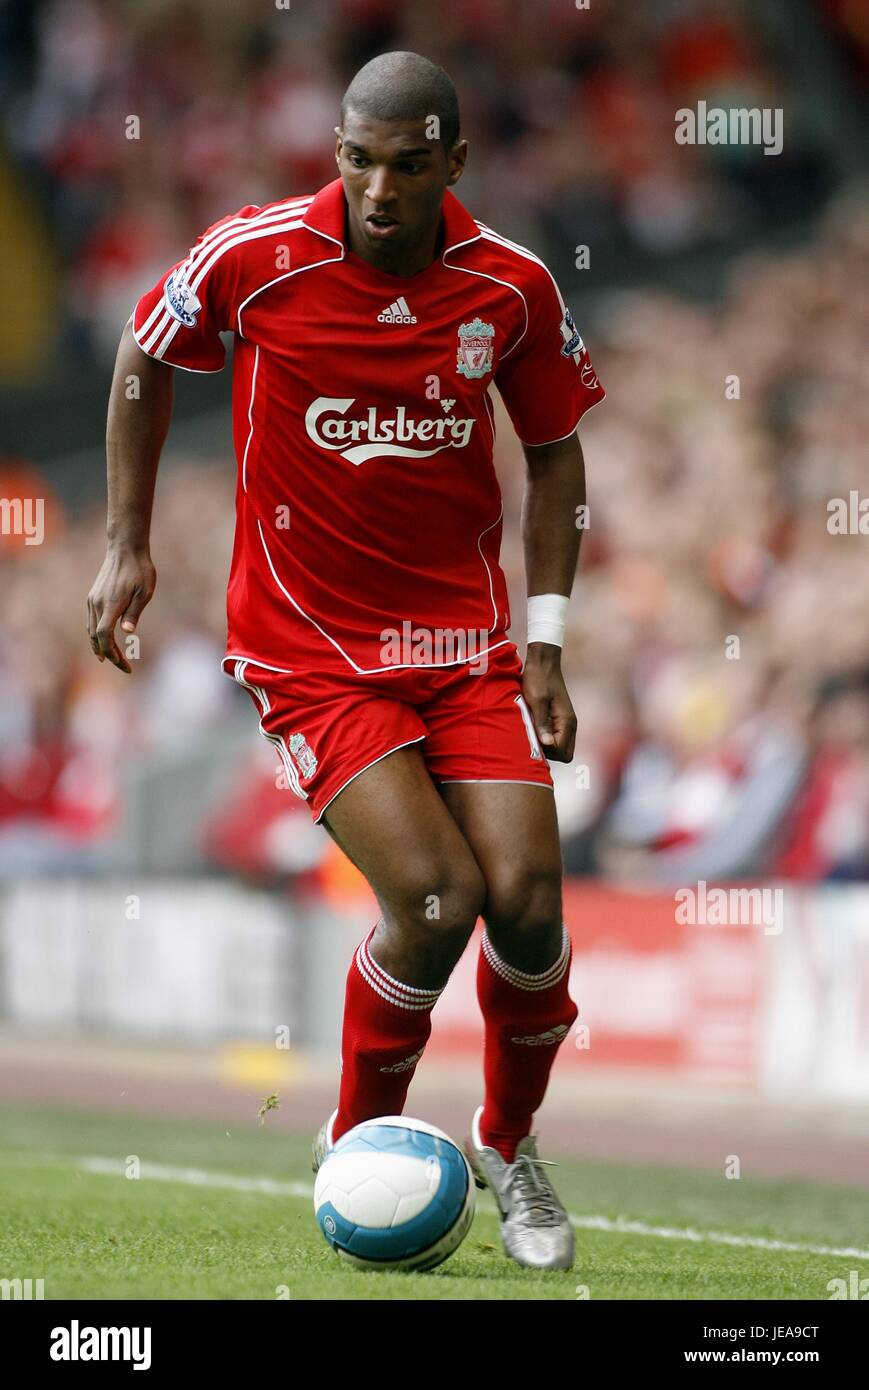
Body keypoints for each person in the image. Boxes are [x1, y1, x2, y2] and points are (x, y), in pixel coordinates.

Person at [86, 50, 604, 1270]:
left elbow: (559, 454)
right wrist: (124, 544)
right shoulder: (254, 257)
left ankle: (507, 1143)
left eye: (408, 165)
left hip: (466, 644)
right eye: (358, 160)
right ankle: (360, 1136)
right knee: (434, 900)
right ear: (336, 153)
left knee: (526, 906)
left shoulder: (510, 288)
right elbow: (140, 356)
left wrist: (544, 640)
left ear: (452, 165)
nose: (378, 188)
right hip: (312, 650)